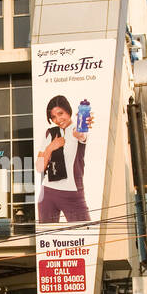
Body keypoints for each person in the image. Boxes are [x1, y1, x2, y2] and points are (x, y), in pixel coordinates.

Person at [35, 95, 95, 224]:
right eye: (54, 117)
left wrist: (83, 123)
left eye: (60, 113)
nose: (58, 119)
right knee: (47, 239)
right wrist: (51, 147)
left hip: (72, 194)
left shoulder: (76, 130)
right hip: (48, 194)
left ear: (68, 110)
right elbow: (39, 167)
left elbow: (81, 134)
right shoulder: (50, 133)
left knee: (85, 235)